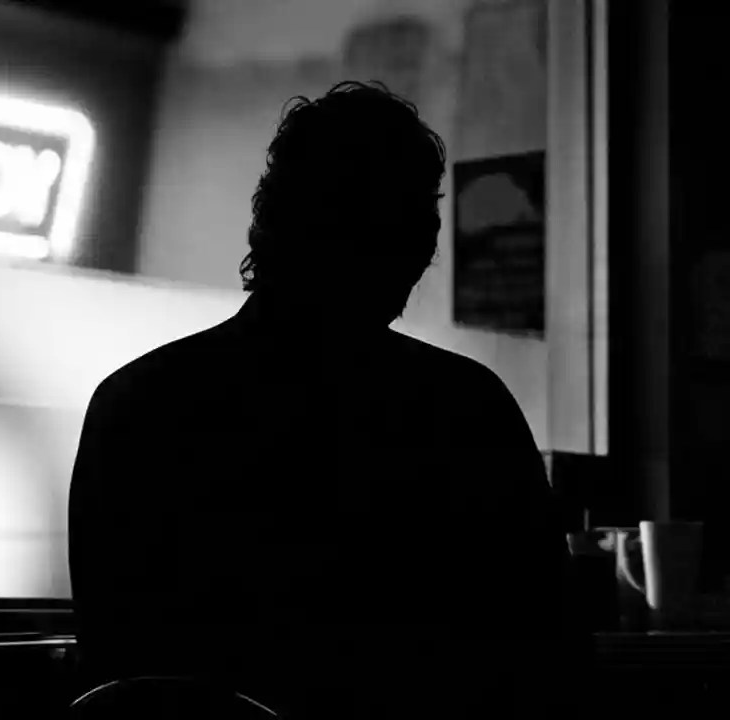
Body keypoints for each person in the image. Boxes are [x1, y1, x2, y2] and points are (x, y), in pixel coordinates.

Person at [69, 81, 572, 719]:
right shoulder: (465, 409)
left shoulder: (136, 402)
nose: (422, 248)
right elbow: (544, 649)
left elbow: (119, 667)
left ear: (273, 222)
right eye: (412, 218)